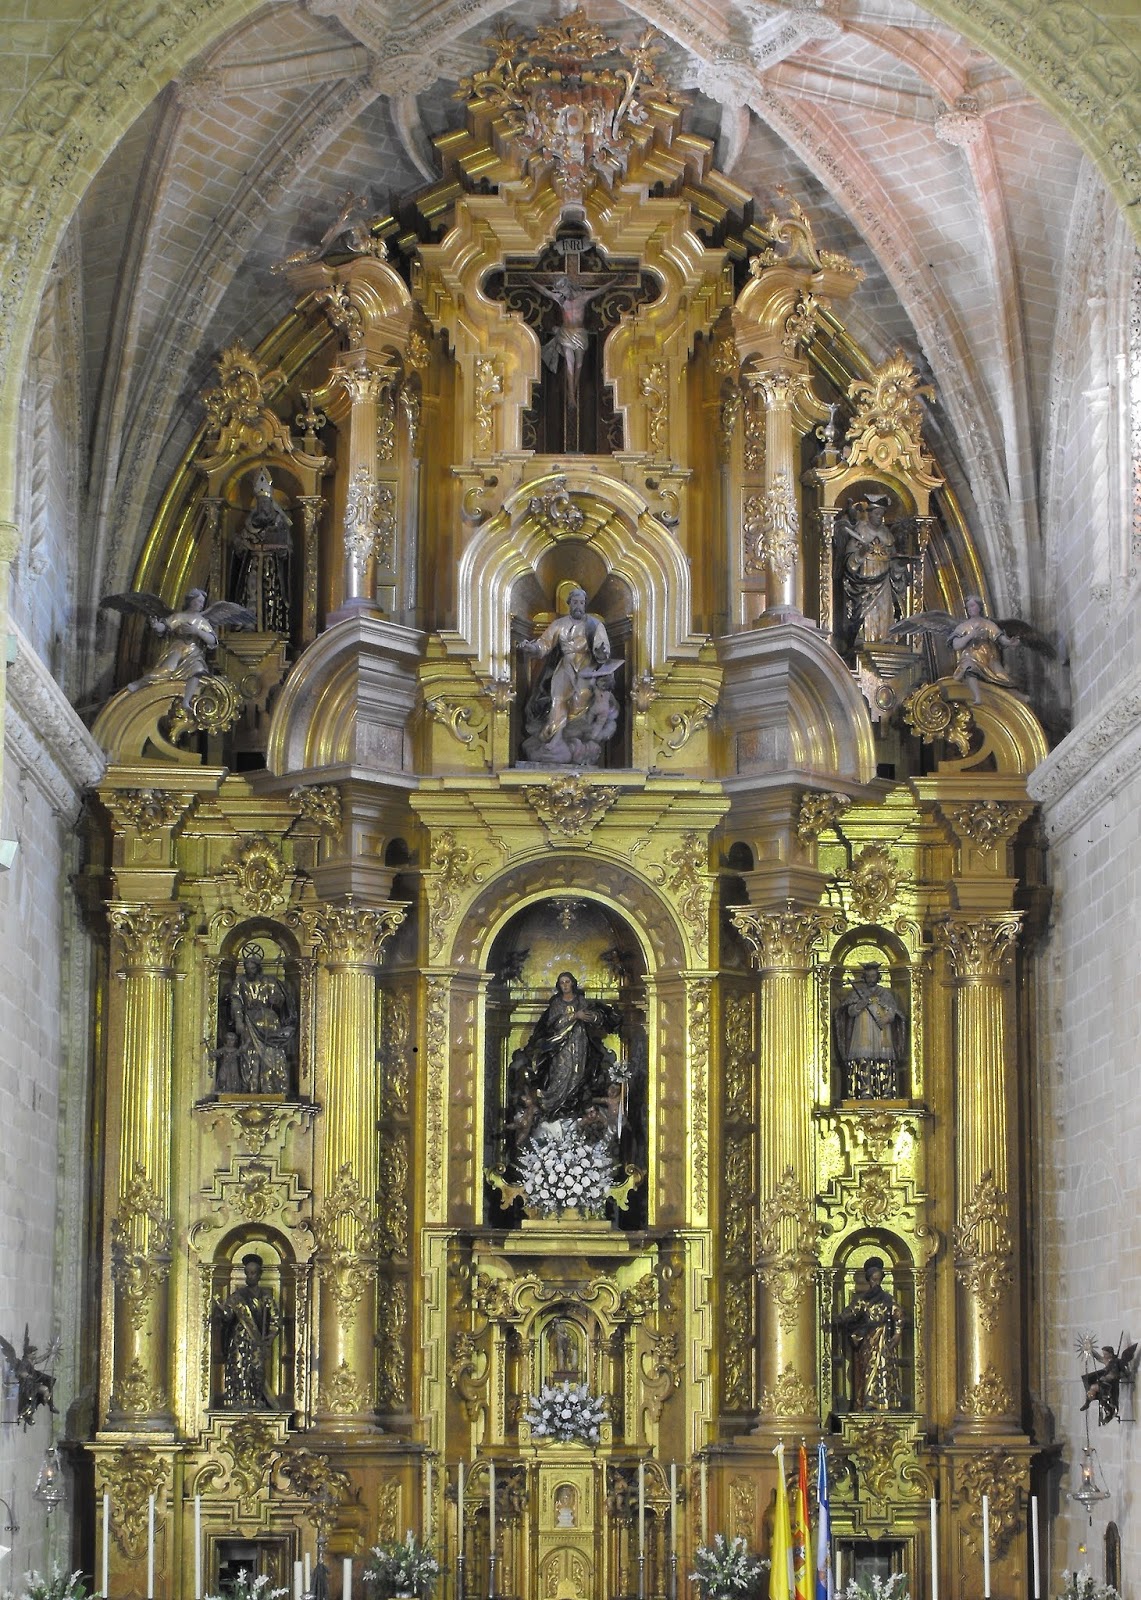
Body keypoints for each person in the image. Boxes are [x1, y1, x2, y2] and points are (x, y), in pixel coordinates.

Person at [520, 586, 620, 765]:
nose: (578, 606)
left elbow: (603, 648)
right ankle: (555, 737)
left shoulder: (595, 625)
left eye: (581, 603)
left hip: (586, 668)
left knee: (582, 697)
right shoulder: (559, 625)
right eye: (575, 602)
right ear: (569, 604)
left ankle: (576, 733)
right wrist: (532, 648)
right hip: (565, 667)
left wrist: (601, 652)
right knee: (558, 698)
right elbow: (544, 643)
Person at [515, 972, 622, 1125]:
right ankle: (552, 1106)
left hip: (579, 1042)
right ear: (559, 985)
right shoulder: (557, 1003)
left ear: (573, 983)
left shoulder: (581, 1001)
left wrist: (592, 1016)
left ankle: (572, 1109)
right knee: (560, 1074)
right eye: (562, 982)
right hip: (560, 1046)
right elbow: (553, 1024)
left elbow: (594, 1019)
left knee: (578, 1074)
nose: (565, 985)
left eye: (567, 982)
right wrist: (574, 1016)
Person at [228, 943, 296, 1094]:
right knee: (249, 1052)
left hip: (268, 1019)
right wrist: (239, 1021)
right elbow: (236, 1001)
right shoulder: (240, 981)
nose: (249, 972)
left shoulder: (269, 981)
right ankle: (250, 1087)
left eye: (252, 968)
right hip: (249, 1020)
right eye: (247, 969)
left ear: (258, 968)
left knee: (270, 1052)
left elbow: (280, 998)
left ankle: (269, 1086)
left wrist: (275, 999)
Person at [839, 494, 906, 647]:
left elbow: (894, 568)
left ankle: (885, 637)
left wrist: (899, 566)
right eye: (876, 514)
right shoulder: (859, 533)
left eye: (882, 515)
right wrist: (861, 553)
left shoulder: (888, 536)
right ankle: (862, 636)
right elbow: (849, 567)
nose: (879, 518)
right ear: (868, 514)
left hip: (884, 583)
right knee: (864, 610)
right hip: (864, 583)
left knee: (884, 609)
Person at [838, 1256, 904, 1411]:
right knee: (868, 1368)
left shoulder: (888, 1299)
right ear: (869, 1280)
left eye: (878, 1280)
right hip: (868, 1339)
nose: (876, 1283)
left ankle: (884, 1400)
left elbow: (898, 1315)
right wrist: (839, 1318)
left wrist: (898, 1333)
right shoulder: (863, 1300)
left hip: (883, 1337)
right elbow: (851, 1312)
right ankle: (867, 1399)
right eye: (873, 1280)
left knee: (883, 1368)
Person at [833, 962, 906, 1099]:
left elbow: (894, 1012)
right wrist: (858, 1006)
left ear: (878, 977)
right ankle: (865, 1090)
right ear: (864, 978)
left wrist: (887, 1018)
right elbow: (848, 1012)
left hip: (882, 1032)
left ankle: (886, 1090)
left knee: (884, 1060)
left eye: (873, 976)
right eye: (868, 976)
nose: (871, 979)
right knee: (863, 1060)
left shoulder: (885, 994)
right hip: (862, 1033)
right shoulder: (858, 993)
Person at [216, 1253, 280, 1408]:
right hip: (239, 1341)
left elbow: (275, 1320)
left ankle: (256, 1399)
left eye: (253, 1273)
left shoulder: (266, 1298)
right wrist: (220, 1309)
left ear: (259, 1275)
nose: (250, 1276)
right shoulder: (237, 1296)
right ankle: (238, 1400)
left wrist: (270, 1337)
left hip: (257, 1342)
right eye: (247, 1273)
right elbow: (228, 1316)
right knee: (239, 1368)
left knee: (256, 1371)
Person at [233, 467, 292, 633]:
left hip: (270, 566)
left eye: (266, 503)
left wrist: (280, 549)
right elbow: (240, 547)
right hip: (252, 565)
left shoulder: (279, 523)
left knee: (270, 595)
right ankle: (248, 623)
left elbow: (286, 549)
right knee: (250, 593)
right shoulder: (249, 523)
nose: (263, 507)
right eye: (260, 503)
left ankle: (270, 624)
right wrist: (243, 545)